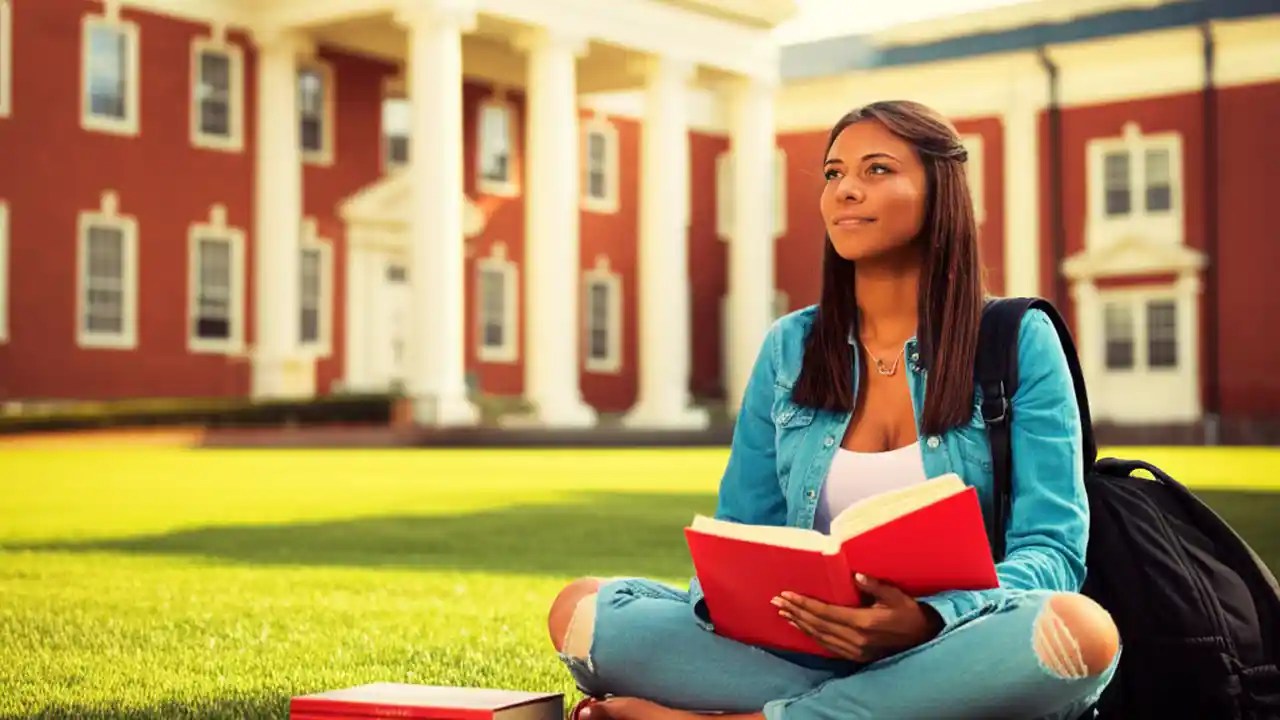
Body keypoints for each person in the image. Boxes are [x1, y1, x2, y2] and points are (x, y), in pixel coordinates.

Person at [545, 100, 1120, 720]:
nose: (845, 189)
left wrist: (929, 618)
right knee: (583, 612)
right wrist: (762, 607)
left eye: (876, 170)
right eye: (833, 173)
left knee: (1078, 633)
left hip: (955, 644)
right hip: (799, 651)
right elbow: (743, 529)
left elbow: (1052, 549)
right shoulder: (789, 349)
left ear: (940, 191)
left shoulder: (1017, 338)